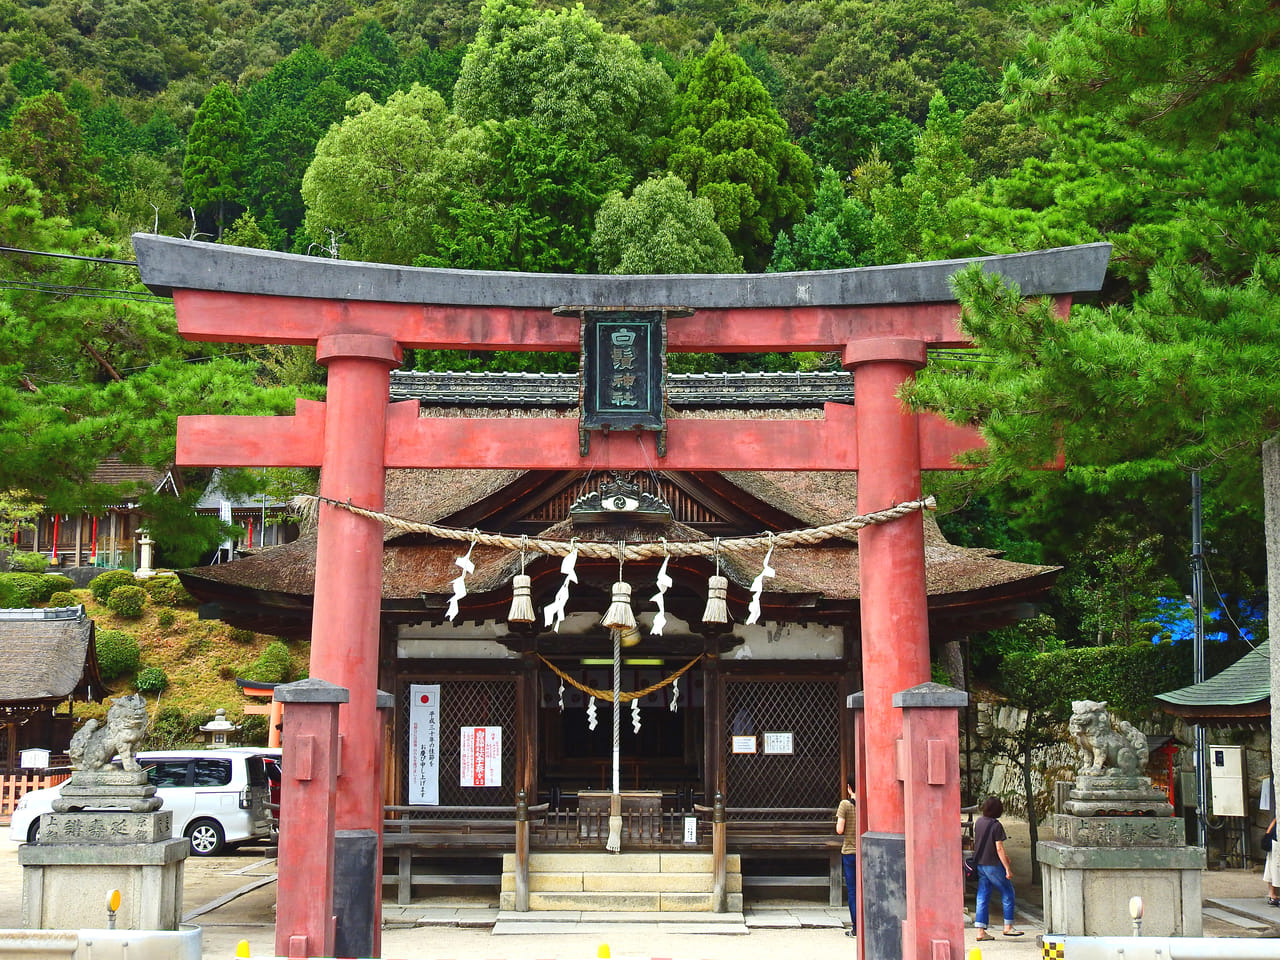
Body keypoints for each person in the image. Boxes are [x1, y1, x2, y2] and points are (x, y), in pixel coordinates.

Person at [973, 795, 1023, 940]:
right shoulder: (996, 825)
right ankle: (1008, 926)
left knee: (982, 896)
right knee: (1008, 892)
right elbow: (999, 848)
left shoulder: (979, 822)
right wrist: (1007, 868)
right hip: (993, 865)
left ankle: (981, 932)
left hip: (980, 864)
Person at [835, 777, 857, 936]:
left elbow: (839, 829)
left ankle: (856, 927)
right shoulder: (868, 803)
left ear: (849, 788)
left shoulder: (845, 805)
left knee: (852, 891)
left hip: (849, 851)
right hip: (865, 851)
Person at [1264, 818, 1279, 906]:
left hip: (1273, 839)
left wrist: (1267, 835)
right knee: (1274, 867)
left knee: (1271, 866)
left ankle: (1272, 894)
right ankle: (1272, 894)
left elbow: (1274, 820)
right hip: (1275, 840)